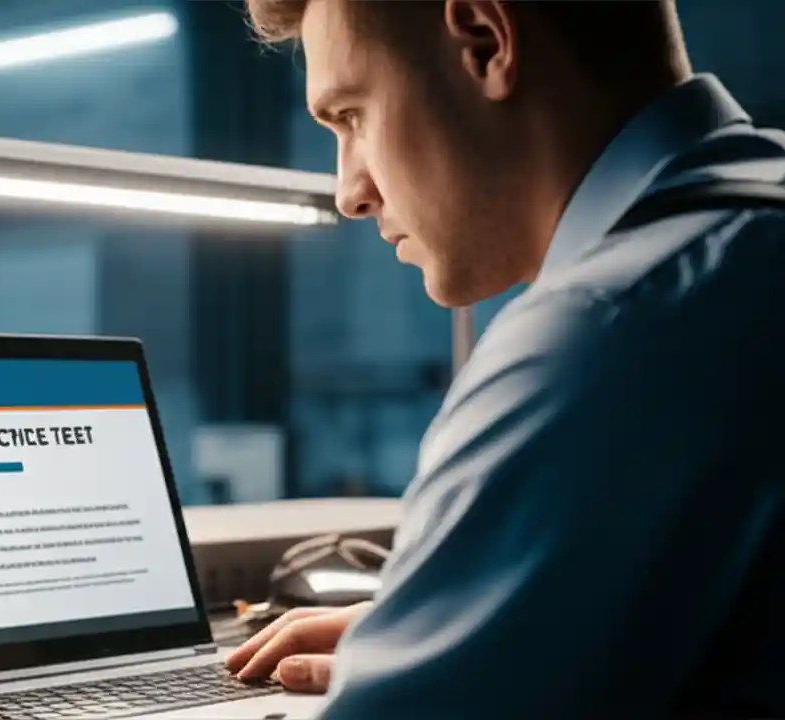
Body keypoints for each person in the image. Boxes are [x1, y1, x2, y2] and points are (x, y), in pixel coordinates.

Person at [226, 0, 785, 717]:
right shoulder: (746, 242)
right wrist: (471, 635)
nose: (351, 193)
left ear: (486, 42)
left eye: (353, 116)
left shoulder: (601, 338)